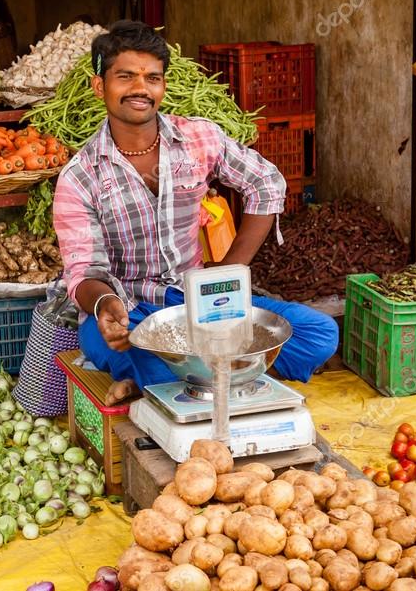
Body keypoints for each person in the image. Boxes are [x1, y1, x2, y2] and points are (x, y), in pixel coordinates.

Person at [53, 21, 339, 405]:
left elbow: (266, 183)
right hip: (133, 308)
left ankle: (194, 371)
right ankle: (203, 371)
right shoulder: (81, 176)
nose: (140, 88)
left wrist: (228, 271)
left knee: (317, 333)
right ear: (100, 86)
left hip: (200, 302)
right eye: (125, 77)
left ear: (163, 87)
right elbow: (85, 271)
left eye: (152, 78)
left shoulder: (198, 137)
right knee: (126, 350)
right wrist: (105, 306)